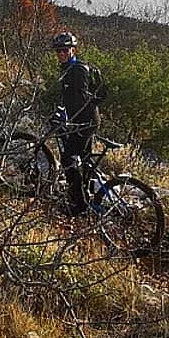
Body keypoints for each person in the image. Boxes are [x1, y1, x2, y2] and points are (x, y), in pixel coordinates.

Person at [51, 31, 101, 216]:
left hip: (84, 121)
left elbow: (79, 100)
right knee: (84, 160)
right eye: (58, 51)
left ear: (73, 50)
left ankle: (79, 206)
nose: (61, 54)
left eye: (65, 50)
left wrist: (67, 119)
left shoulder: (77, 71)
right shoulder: (69, 68)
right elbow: (69, 98)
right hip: (86, 120)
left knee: (68, 159)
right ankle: (86, 196)